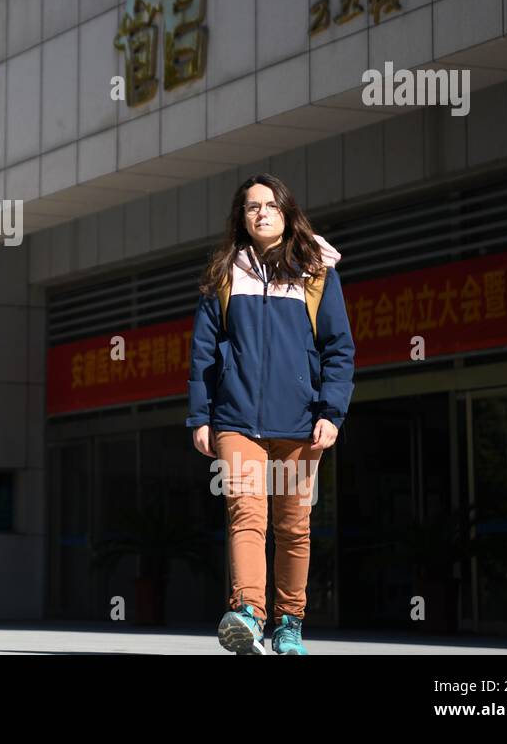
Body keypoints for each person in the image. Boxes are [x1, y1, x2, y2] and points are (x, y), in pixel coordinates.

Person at [186, 173, 355, 654]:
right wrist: (201, 416)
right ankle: (246, 613)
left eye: (269, 205)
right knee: (245, 515)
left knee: (293, 526)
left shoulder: (315, 271)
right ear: (241, 218)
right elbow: (203, 354)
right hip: (236, 420)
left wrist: (332, 412)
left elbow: (338, 349)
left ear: (286, 211)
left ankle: (289, 623)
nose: (260, 213)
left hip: (302, 422)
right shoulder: (225, 274)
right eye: (251, 207)